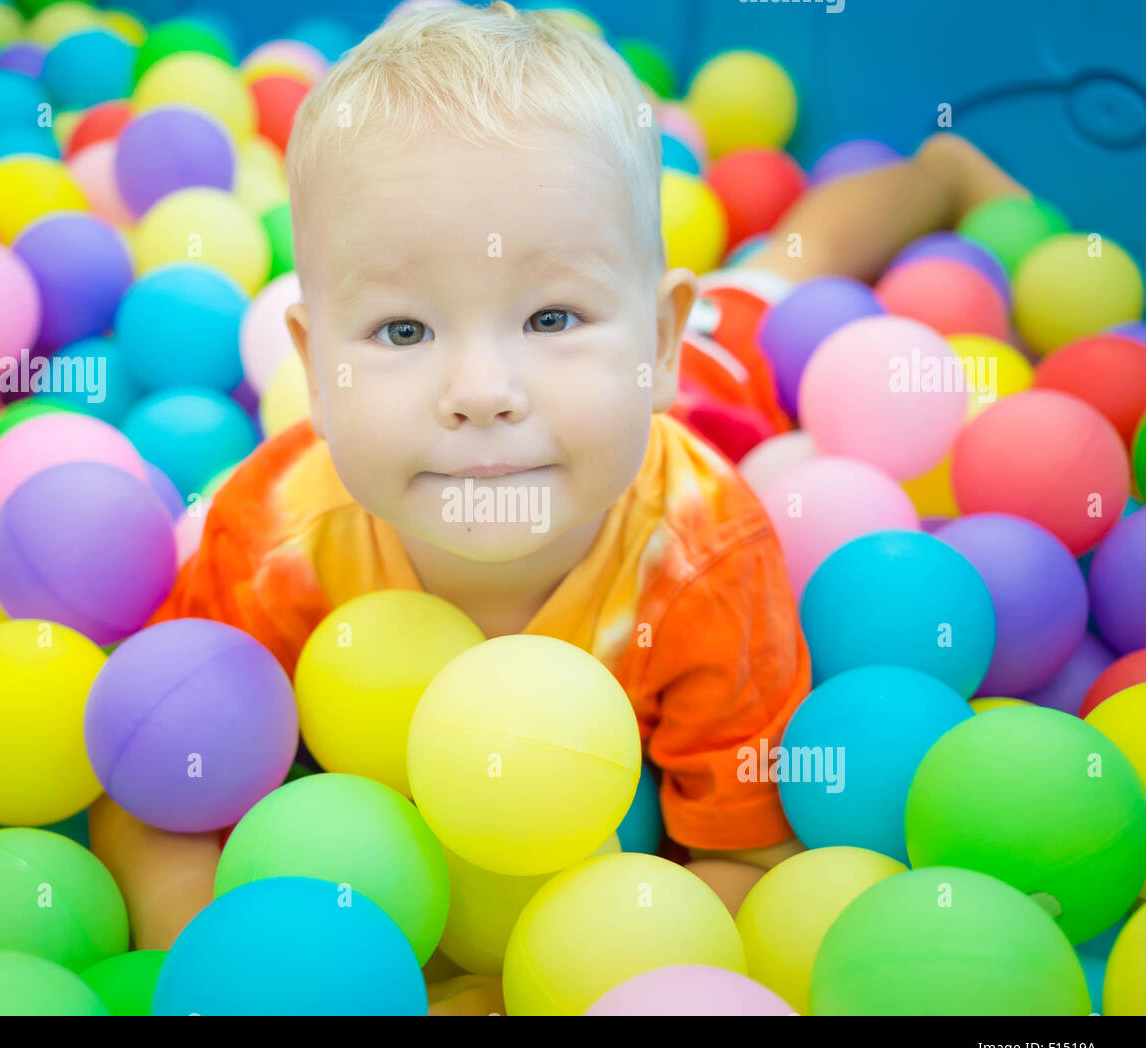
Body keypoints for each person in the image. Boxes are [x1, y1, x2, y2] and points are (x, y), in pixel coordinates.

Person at [131, 2, 1025, 953]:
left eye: (553, 318)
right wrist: (207, 945)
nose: (482, 392)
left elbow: (742, 866)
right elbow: (155, 787)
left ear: (654, 341)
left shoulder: (704, 564)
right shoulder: (273, 537)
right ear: (313, 371)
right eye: (404, 330)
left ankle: (937, 170)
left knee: (776, 282)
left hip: (724, 380)